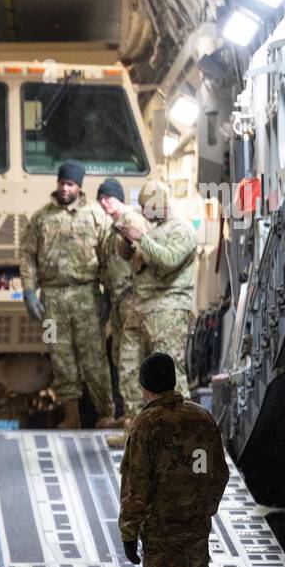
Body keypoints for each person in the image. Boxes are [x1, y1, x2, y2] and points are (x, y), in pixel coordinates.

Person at [119, 352, 229, 567]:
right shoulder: (202, 418)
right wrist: (204, 509)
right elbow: (220, 473)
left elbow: (136, 485)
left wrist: (128, 532)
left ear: (144, 385)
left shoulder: (146, 425)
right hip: (195, 528)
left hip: (162, 531)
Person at [19, 159, 115, 428]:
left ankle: (106, 414)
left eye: (70, 184)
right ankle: (71, 415)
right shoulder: (41, 218)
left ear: (79, 187)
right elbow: (27, 255)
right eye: (61, 183)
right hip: (51, 301)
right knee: (60, 357)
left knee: (94, 359)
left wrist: (107, 294)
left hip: (86, 297)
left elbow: (108, 256)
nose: (64, 188)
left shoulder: (96, 216)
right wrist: (28, 290)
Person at [105, 180, 197, 447]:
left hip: (167, 309)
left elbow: (168, 261)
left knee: (171, 373)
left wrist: (141, 237)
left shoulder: (182, 230)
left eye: (147, 207)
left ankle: (180, 433)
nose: (144, 213)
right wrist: (127, 244)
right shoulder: (156, 230)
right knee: (129, 367)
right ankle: (136, 429)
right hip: (140, 307)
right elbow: (137, 261)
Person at [95, 177, 146, 430]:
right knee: (117, 356)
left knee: (130, 358)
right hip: (116, 299)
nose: (105, 202)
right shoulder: (111, 228)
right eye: (101, 198)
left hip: (130, 296)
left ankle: (134, 417)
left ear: (120, 198)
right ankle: (125, 412)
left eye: (109, 197)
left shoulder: (131, 221)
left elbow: (145, 254)